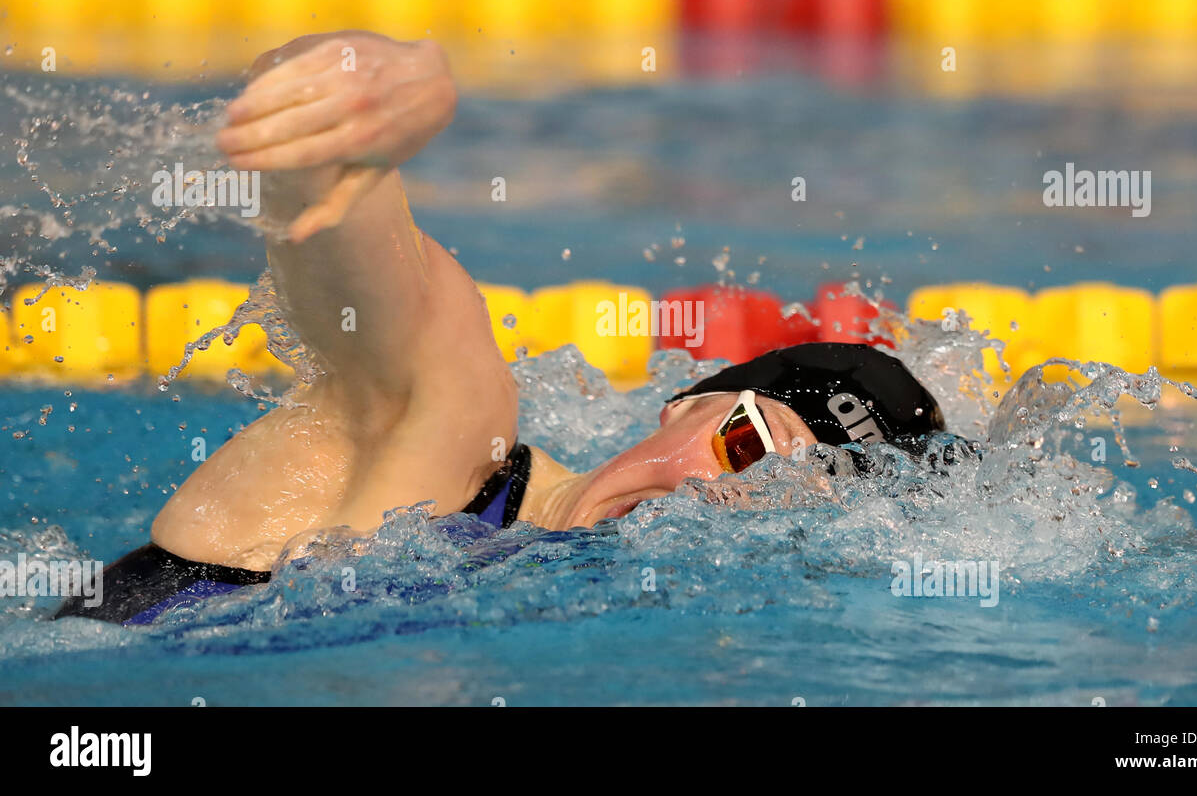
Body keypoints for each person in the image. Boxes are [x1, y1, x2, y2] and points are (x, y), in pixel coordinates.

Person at [56, 31, 948, 626]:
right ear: (684, 403)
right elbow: (320, 188)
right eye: (747, 446)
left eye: (785, 497)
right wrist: (384, 90)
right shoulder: (453, 434)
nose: (729, 499)